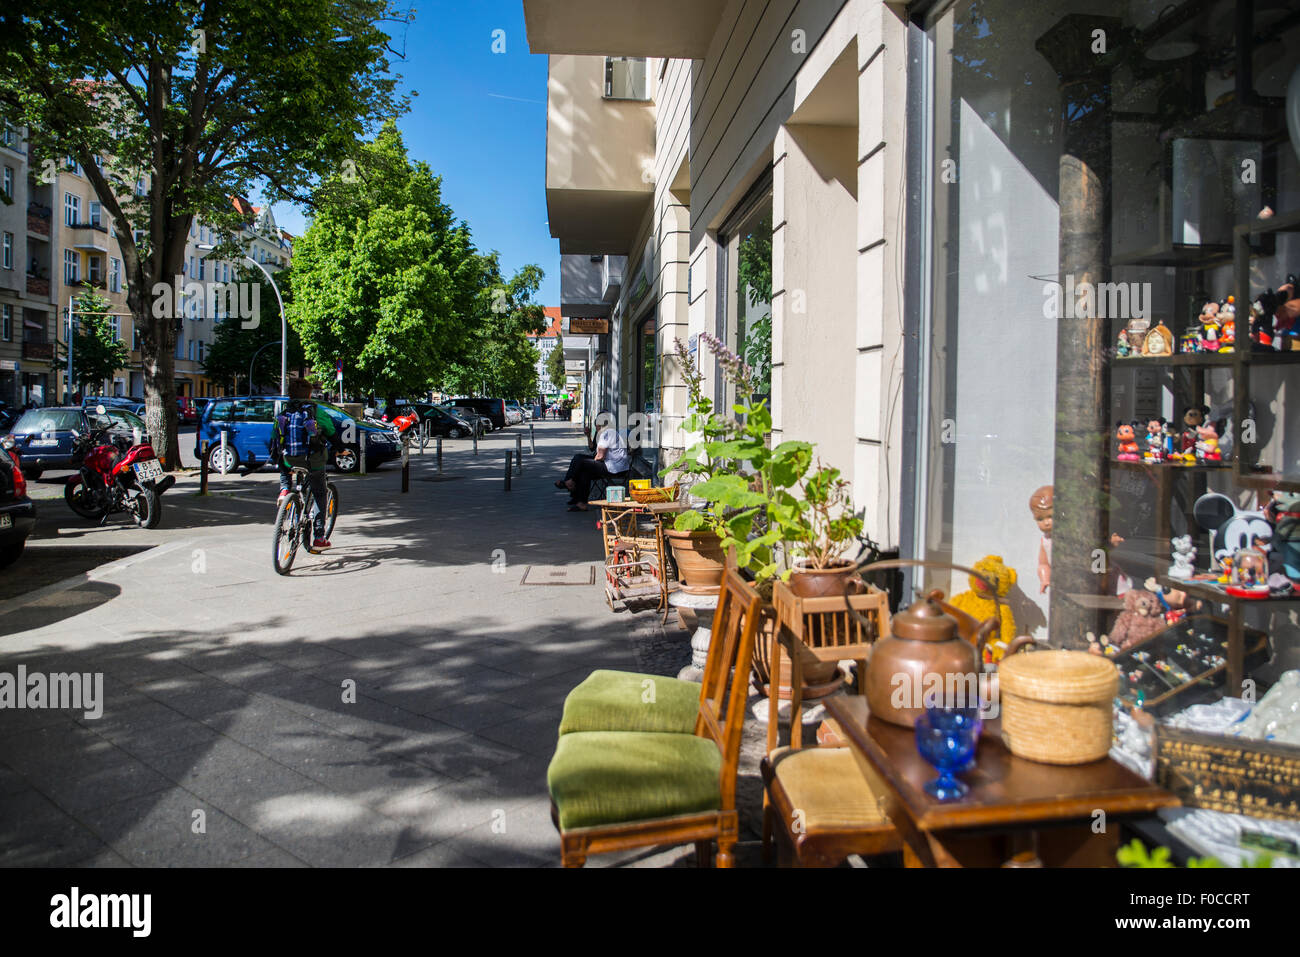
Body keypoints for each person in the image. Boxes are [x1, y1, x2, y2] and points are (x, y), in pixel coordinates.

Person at [270, 378, 337, 549]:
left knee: (284, 466)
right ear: (309, 394)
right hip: (312, 460)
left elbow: (274, 437)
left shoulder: (285, 412)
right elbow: (330, 431)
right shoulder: (315, 411)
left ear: (290, 395)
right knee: (320, 493)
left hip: (289, 458)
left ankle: (285, 490)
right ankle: (319, 538)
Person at [554, 412, 629, 511]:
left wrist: (590, 462)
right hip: (613, 465)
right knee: (583, 468)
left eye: (596, 424)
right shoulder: (606, 432)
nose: (595, 427)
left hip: (614, 468)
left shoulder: (607, 433)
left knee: (581, 461)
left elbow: (600, 456)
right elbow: (593, 450)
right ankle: (580, 502)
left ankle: (569, 482)